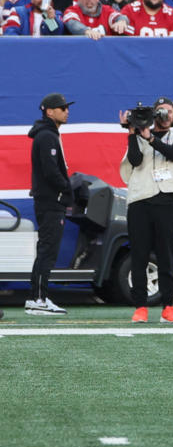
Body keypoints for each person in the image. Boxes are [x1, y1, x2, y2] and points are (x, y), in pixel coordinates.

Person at [119, 97, 173, 324]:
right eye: (161, 112)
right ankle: (140, 307)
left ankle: (168, 306)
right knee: (139, 255)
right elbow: (135, 160)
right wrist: (133, 132)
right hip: (140, 202)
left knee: (166, 255)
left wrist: (150, 138)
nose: (165, 116)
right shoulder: (138, 137)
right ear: (153, 115)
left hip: (166, 203)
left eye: (169, 112)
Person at [25, 92, 75, 315]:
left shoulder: (48, 134)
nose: (67, 111)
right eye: (62, 107)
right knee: (47, 250)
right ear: (49, 111)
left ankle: (37, 297)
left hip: (49, 201)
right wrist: (67, 188)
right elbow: (51, 171)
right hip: (50, 202)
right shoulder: (47, 136)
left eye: (66, 107)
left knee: (46, 250)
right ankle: (38, 299)